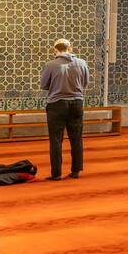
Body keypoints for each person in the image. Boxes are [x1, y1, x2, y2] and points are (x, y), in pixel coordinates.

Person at [40, 38, 88, 181]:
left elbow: (44, 85)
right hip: (77, 104)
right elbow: (85, 82)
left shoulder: (50, 65)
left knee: (56, 140)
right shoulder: (82, 63)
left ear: (55, 50)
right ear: (70, 48)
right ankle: (76, 171)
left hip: (57, 104)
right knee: (76, 138)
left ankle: (56, 174)